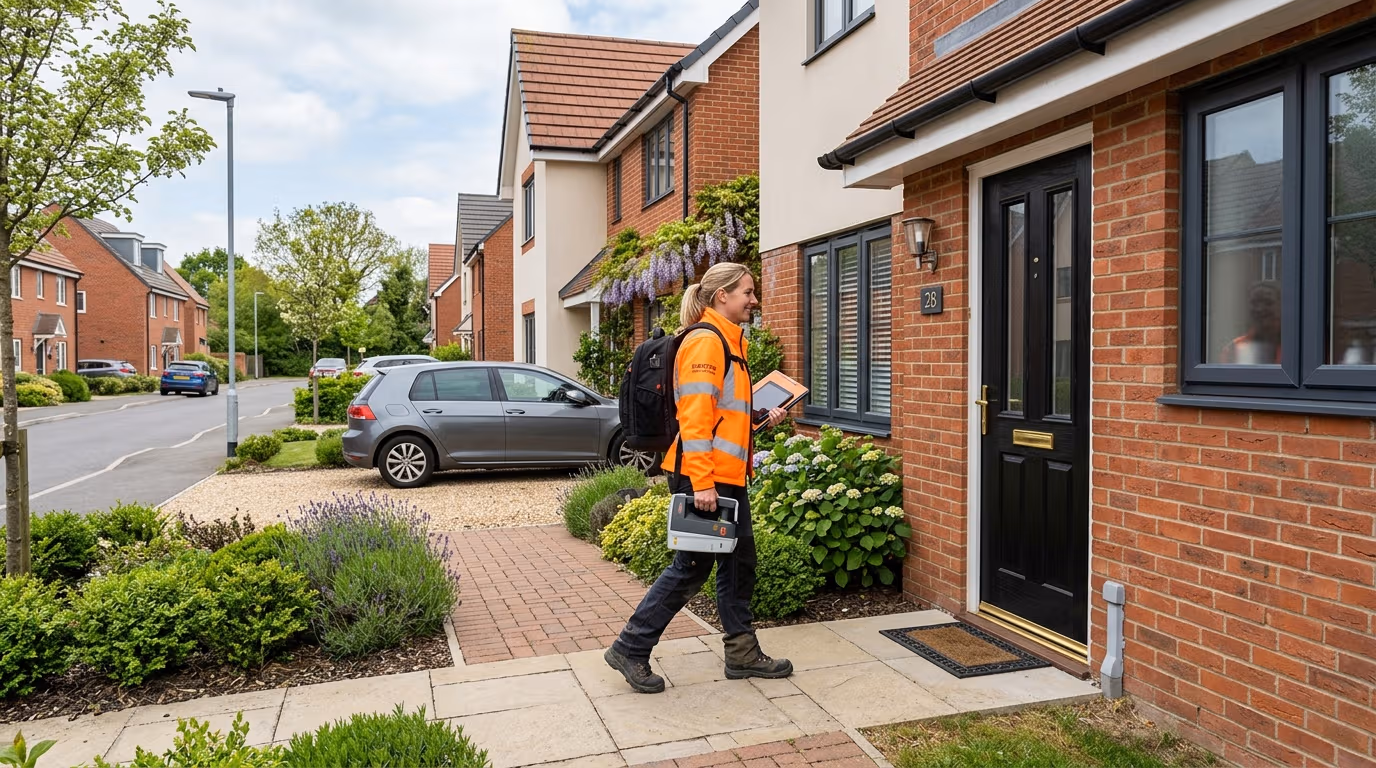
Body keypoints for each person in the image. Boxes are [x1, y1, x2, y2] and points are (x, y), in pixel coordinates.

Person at [604, 262, 790, 694]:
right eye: (747, 291)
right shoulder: (707, 343)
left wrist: (761, 419)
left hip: (724, 478)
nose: (754, 299)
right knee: (691, 568)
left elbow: (724, 417)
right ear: (721, 295)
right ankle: (631, 647)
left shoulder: (730, 344)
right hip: (703, 478)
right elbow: (695, 417)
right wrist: (703, 483)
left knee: (739, 562)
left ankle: (742, 653)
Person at [1218, 281, 1281, 364]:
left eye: (1268, 302)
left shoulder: (1296, 346)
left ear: (1281, 306)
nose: (1260, 308)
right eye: (1254, 303)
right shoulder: (1234, 348)